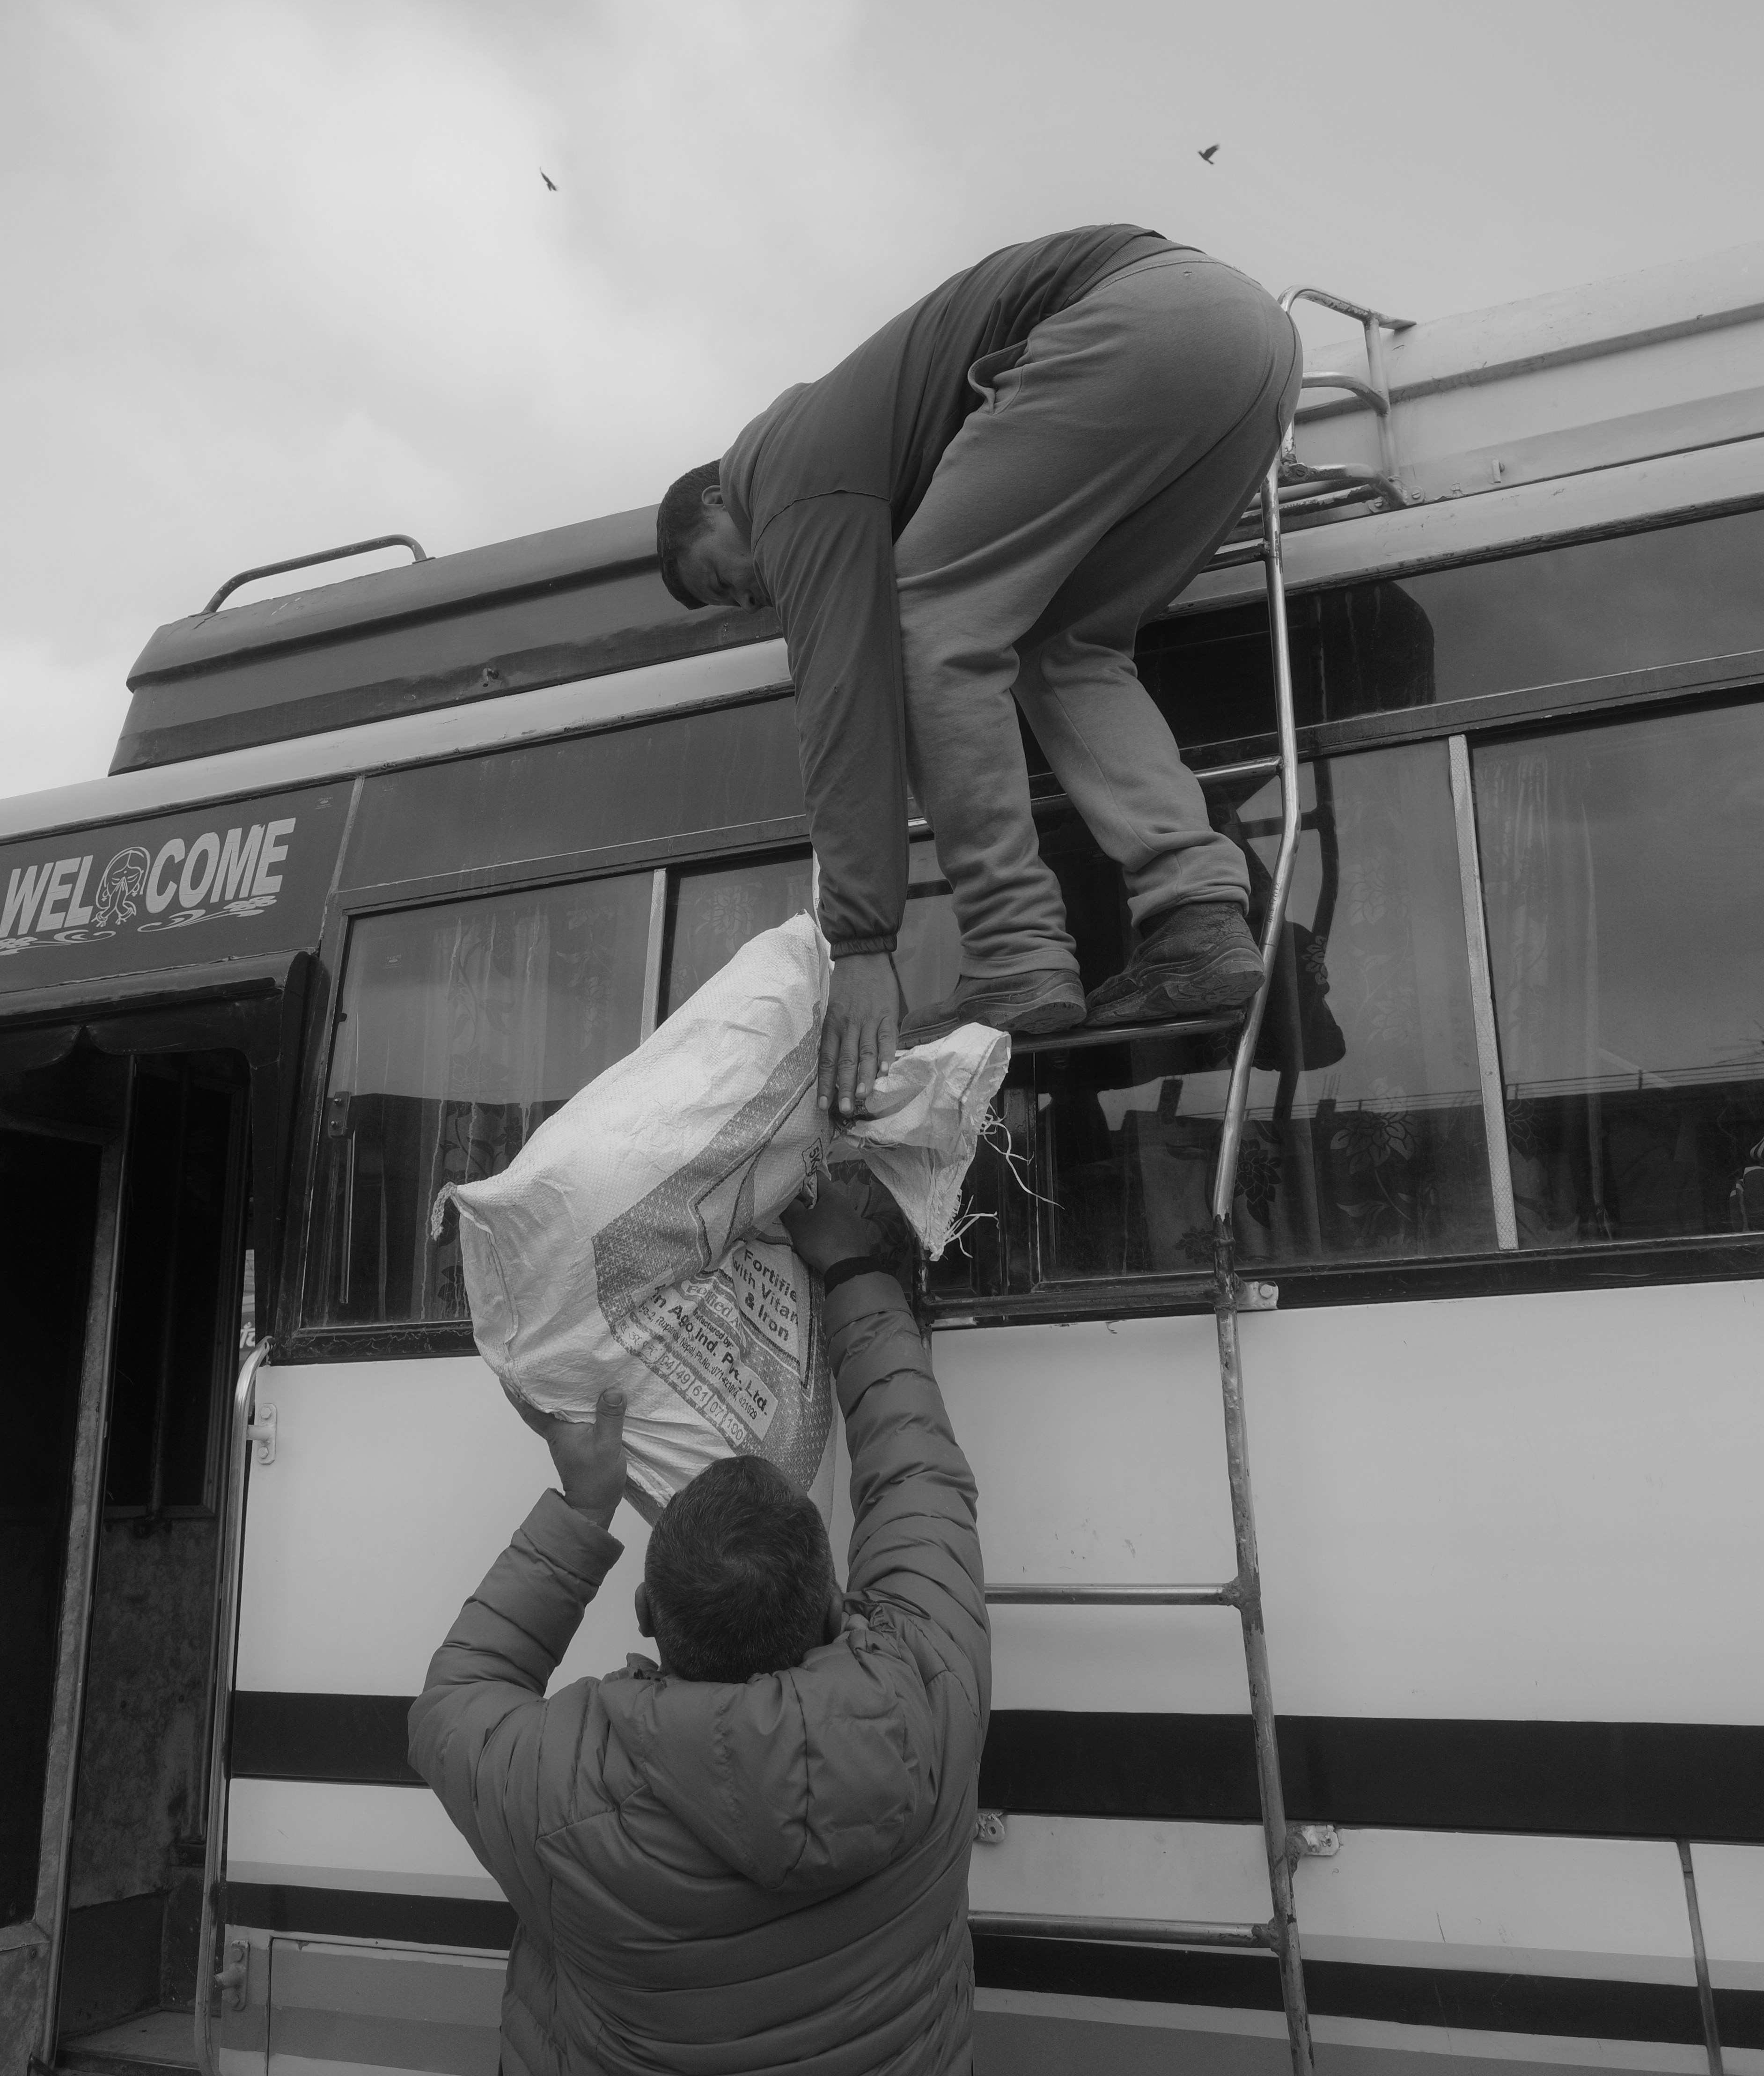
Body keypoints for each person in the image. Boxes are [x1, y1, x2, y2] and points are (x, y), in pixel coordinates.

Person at [657, 227, 1303, 1114]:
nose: (754, 594)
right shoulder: (875, 446)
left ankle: (1014, 954)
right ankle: (1197, 917)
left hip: (1136, 326)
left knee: (925, 624)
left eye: (725, 576)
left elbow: (845, 697)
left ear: (715, 501)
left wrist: (860, 945)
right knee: (1065, 645)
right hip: (1251, 343)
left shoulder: (780, 471)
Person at [408, 1176, 989, 2076]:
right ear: (835, 1603)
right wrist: (854, 1269)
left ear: (646, 1613)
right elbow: (916, 1476)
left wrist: (583, 1507)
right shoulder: (931, 1699)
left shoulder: (565, 1797)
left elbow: (452, 1703)